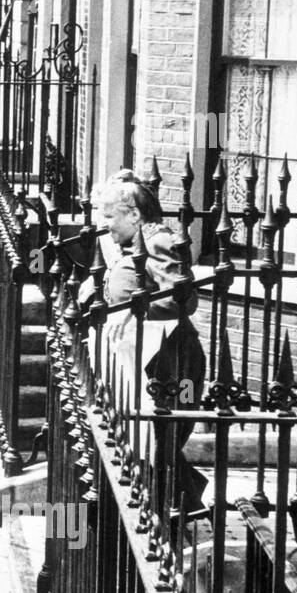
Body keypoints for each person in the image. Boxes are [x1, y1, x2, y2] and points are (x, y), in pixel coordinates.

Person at [83, 170, 208, 511]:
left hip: (175, 358)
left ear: (134, 214)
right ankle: (175, 506)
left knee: (160, 439)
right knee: (150, 440)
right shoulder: (136, 243)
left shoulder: (158, 240)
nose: (105, 224)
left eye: (110, 216)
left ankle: (181, 509)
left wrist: (133, 310)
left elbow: (184, 298)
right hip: (152, 357)